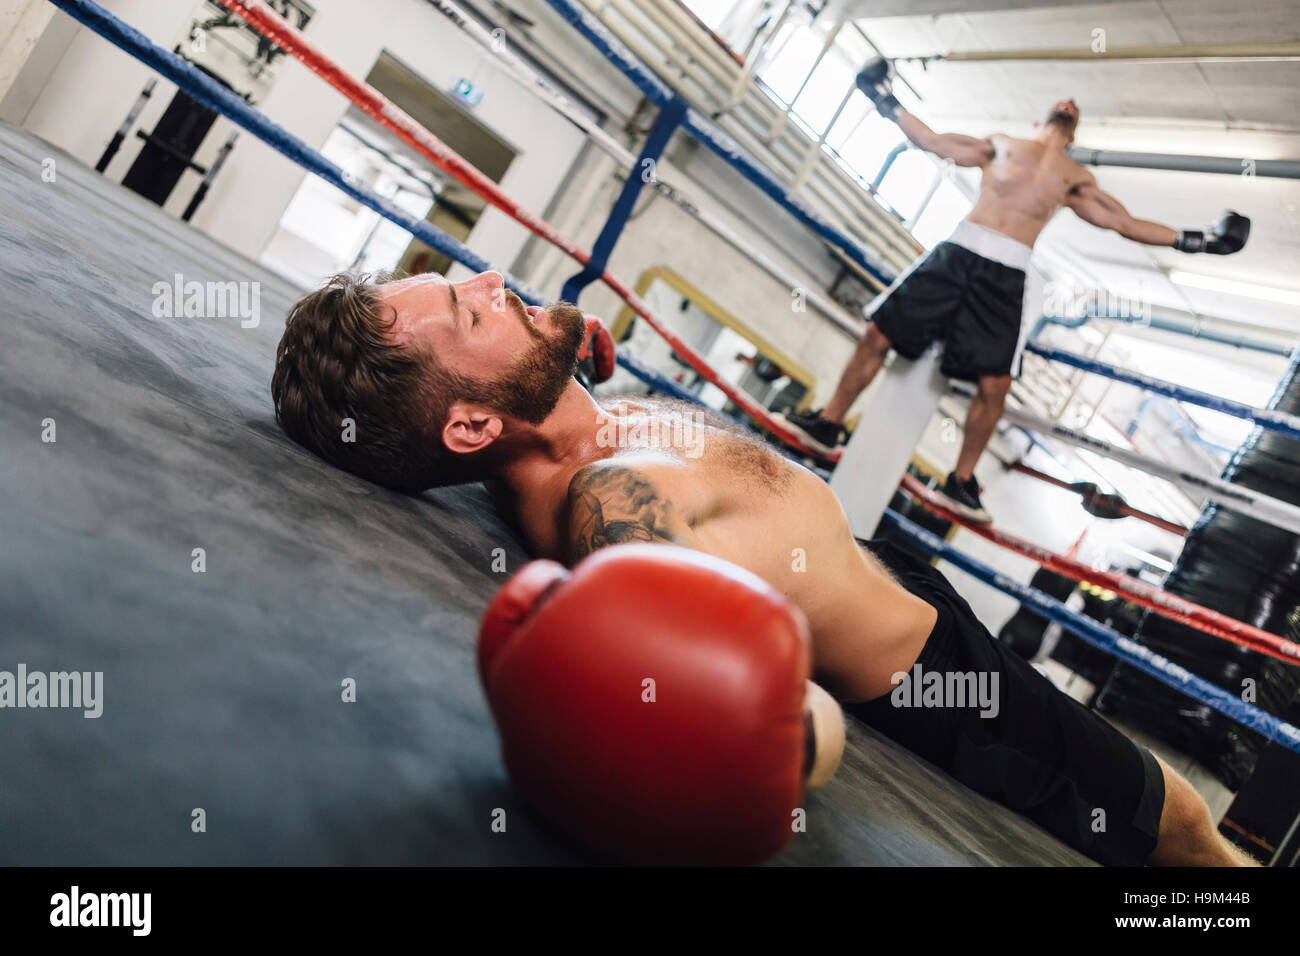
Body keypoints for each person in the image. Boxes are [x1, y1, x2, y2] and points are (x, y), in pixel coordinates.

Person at [270, 268, 1257, 866]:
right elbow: (783, 718)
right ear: (476, 421)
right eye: (470, 309)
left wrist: (560, 354)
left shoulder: (547, 427)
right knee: (1170, 819)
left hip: (888, 577)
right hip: (944, 685)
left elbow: (514, 437)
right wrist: (784, 733)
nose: (493, 279)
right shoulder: (612, 503)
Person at [784, 58, 1250, 522]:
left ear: (1074, 132)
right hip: (958, 251)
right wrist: (882, 98)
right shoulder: (1001, 145)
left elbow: (1124, 224)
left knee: (996, 384)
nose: (1068, 101)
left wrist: (1202, 242)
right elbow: (930, 141)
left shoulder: (1074, 179)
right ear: (1040, 118)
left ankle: (960, 482)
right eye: (1060, 100)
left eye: (1074, 105)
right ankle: (827, 424)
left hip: (1006, 274)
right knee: (877, 335)